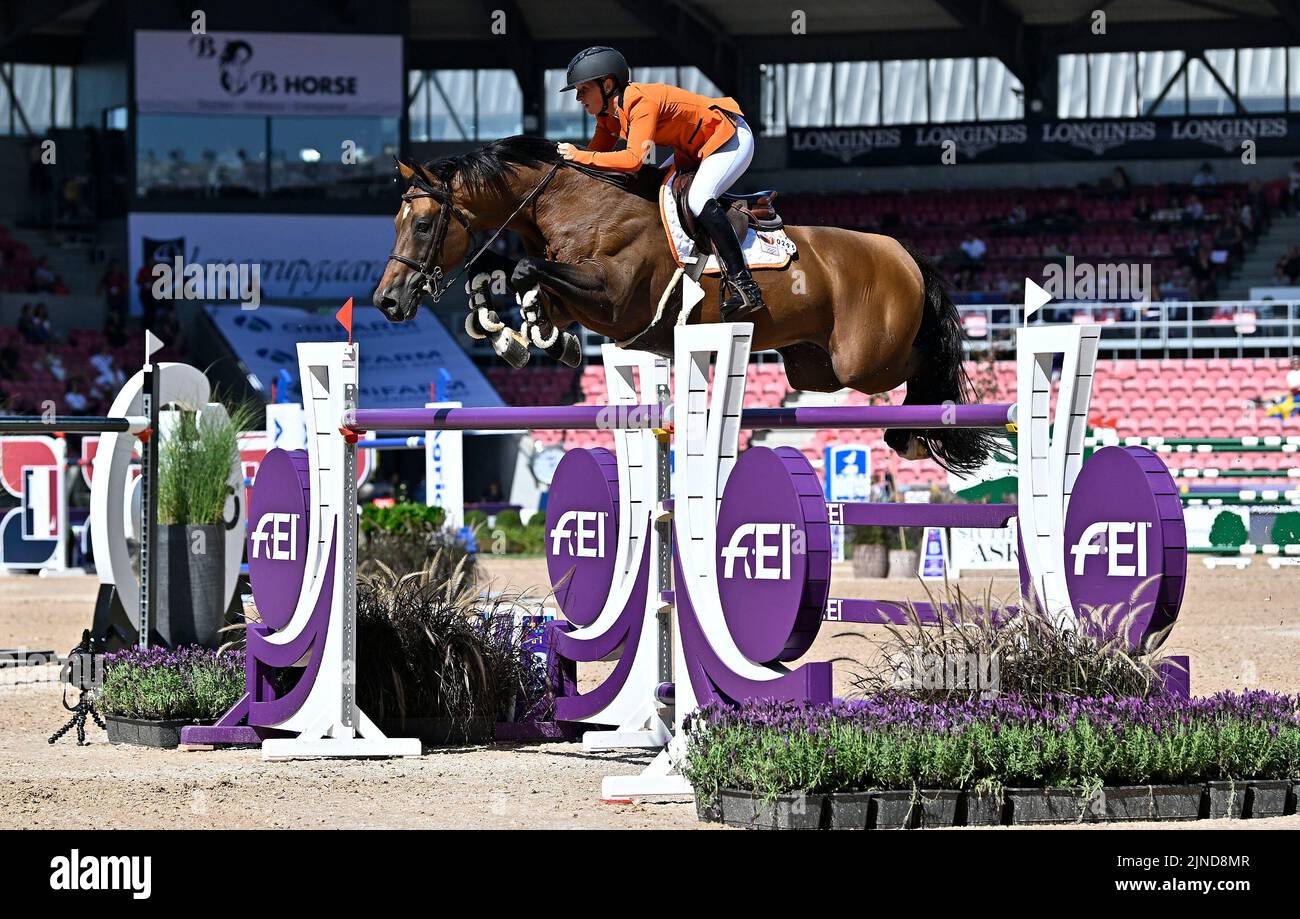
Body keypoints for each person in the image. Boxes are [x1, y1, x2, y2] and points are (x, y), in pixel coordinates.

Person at [555, 46, 764, 321]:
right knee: (654, 190)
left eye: (583, 89)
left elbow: (632, 161)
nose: (579, 97)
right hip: (692, 151)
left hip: (728, 138)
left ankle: (744, 283)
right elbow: (594, 164)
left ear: (607, 85)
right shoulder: (608, 117)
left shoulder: (642, 102)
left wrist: (579, 154)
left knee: (698, 199)